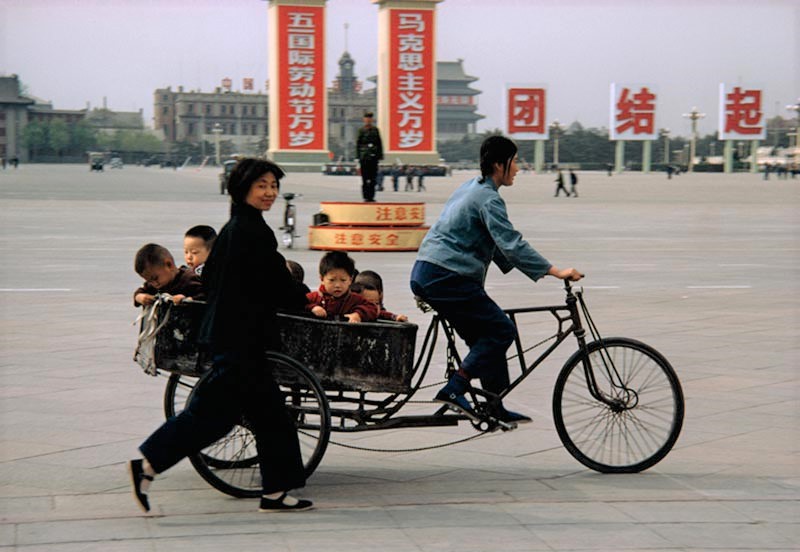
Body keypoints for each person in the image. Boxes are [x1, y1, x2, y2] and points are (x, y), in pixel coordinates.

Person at [128, 158, 313, 514]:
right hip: (240, 339)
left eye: (273, 185)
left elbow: (214, 277)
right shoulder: (250, 231)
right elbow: (276, 279)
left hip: (236, 336)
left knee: (267, 416)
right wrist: (301, 299)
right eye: (262, 185)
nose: (270, 192)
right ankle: (147, 464)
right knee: (214, 417)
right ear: (242, 189)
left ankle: (275, 492)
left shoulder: (236, 228)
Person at [410, 135, 583, 425]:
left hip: (431, 272)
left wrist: (520, 263)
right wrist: (554, 271)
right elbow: (511, 244)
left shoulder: (471, 187)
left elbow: (498, 245)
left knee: (486, 336)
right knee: (502, 330)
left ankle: (493, 405)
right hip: (444, 276)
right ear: (497, 165)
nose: (517, 168)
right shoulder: (489, 198)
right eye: (514, 162)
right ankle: (455, 387)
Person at [306, 251, 379, 323]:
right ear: (322, 279)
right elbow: (299, 304)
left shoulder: (354, 299)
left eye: (343, 280)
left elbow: (372, 308)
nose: (338, 285)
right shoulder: (314, 297)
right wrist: (312, 307)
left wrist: (358, 314)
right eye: (332, 280)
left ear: (350, 280)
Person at [133, 243, 203, 306]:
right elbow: (140, 291)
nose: (155, 284)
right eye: (149, 281)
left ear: (169, 265)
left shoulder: (189, 279)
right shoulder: (155, 284)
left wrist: (188, 299)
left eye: (155, 278)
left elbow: (205, 296)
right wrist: (139, 297)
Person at [356, 111, 383, 202]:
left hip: (373, 157)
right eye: (366, 118)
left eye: (370, 118)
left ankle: (371, 196)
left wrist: (380, 155)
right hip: (364, 157)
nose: (368, 120)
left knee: (373, 178)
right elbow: (358, 144)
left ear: (372, 119)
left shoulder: (375, 130)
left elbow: (379, 143)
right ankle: (365, 196)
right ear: (364, 120)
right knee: (364, 178)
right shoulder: (361, 130)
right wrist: (358, 156)